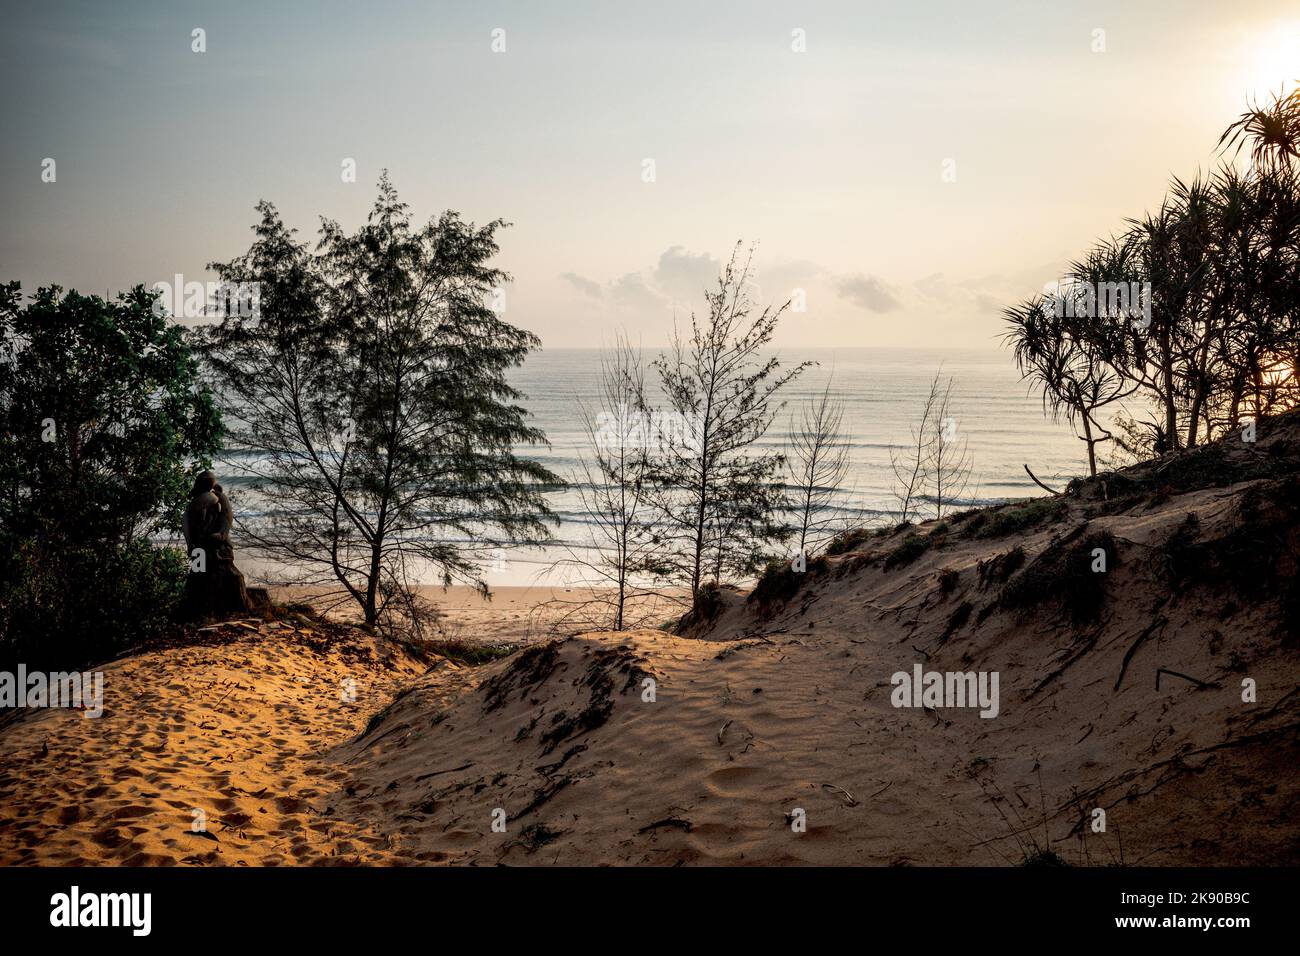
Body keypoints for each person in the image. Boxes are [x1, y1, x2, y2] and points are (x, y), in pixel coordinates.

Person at [181, 470, 250, 619]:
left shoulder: (217, 498)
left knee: (228, 577)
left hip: (215, 547)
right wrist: (192, 544)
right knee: (197, 578)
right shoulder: (198, 502)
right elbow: (189, 526)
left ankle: (217, 611)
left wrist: (219, 535)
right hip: (199, 547)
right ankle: (198, 612)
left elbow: (225, 523)